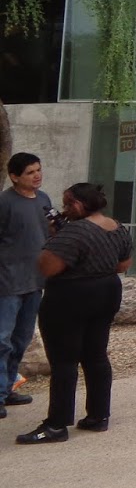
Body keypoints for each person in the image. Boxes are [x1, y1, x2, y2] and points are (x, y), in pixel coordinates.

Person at [15, 182, 131, 444]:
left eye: (68, 204)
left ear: (80, 204)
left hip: (70, 297)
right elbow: (123, 264)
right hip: (107, 291)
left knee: (64, 360)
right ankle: (98, 415)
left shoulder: (74, 232)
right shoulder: (117, 227)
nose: (65, 209)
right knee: (96, 355)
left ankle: (56, 424)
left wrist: (54, 237)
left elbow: (48, 267)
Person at [0, 151, 52, 420]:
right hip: (7, 283)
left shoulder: (43, 200)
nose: (37, 176)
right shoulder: (5, 203)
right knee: (2, 340)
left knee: (21, 339)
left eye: (38, 170)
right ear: (14, 176)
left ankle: (8, 387)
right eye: (30, 172)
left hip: (35, 282)